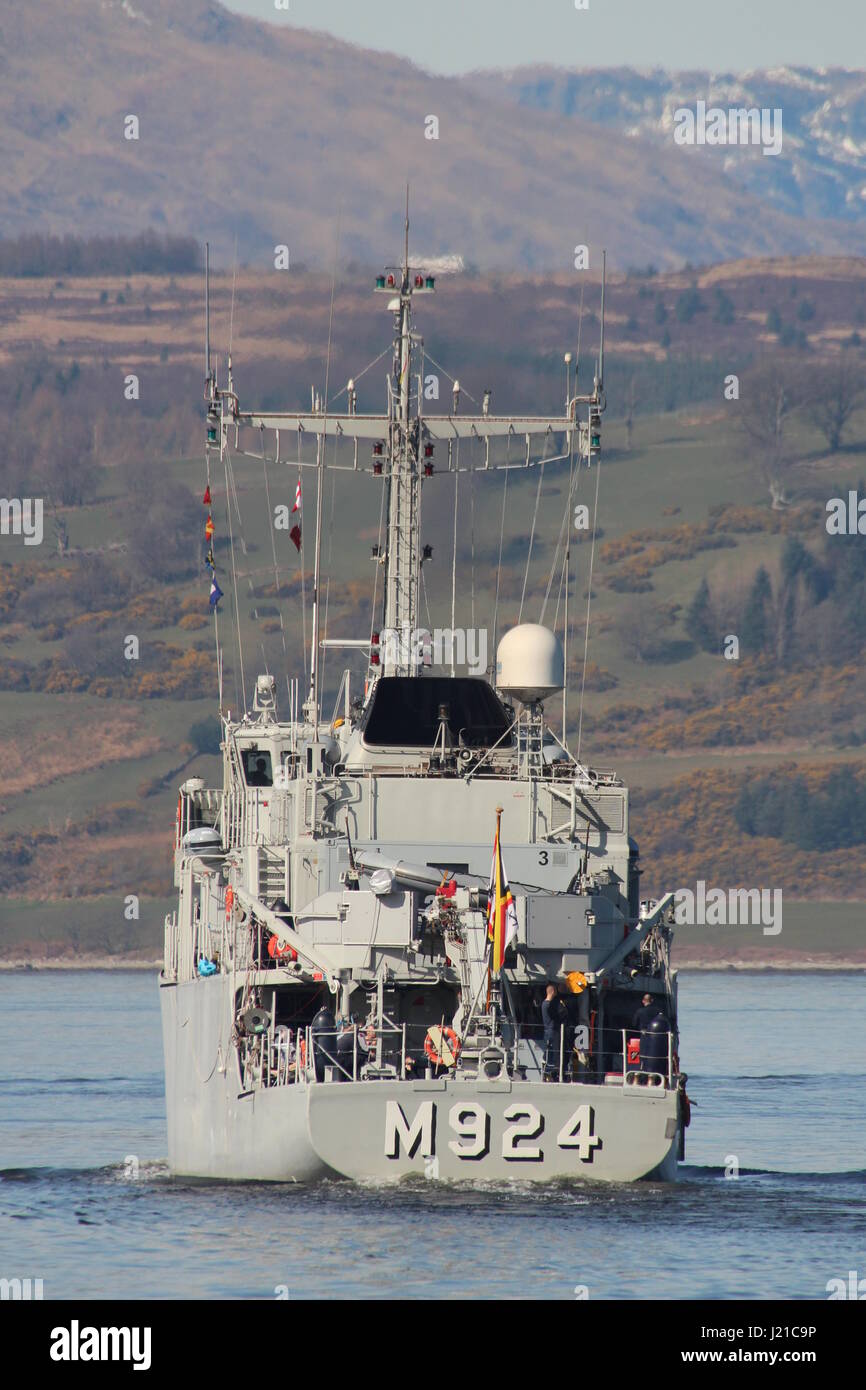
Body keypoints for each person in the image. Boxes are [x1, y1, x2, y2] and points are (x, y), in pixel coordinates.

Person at [541, 983, 567, 1081]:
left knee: (548, 1054)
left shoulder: (543, 1004)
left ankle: (547, 1072)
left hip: (546, 1031)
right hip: (552, 1031)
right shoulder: (549, 1005)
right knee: (553, 1054)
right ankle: (552, 1073)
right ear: (552, 992)